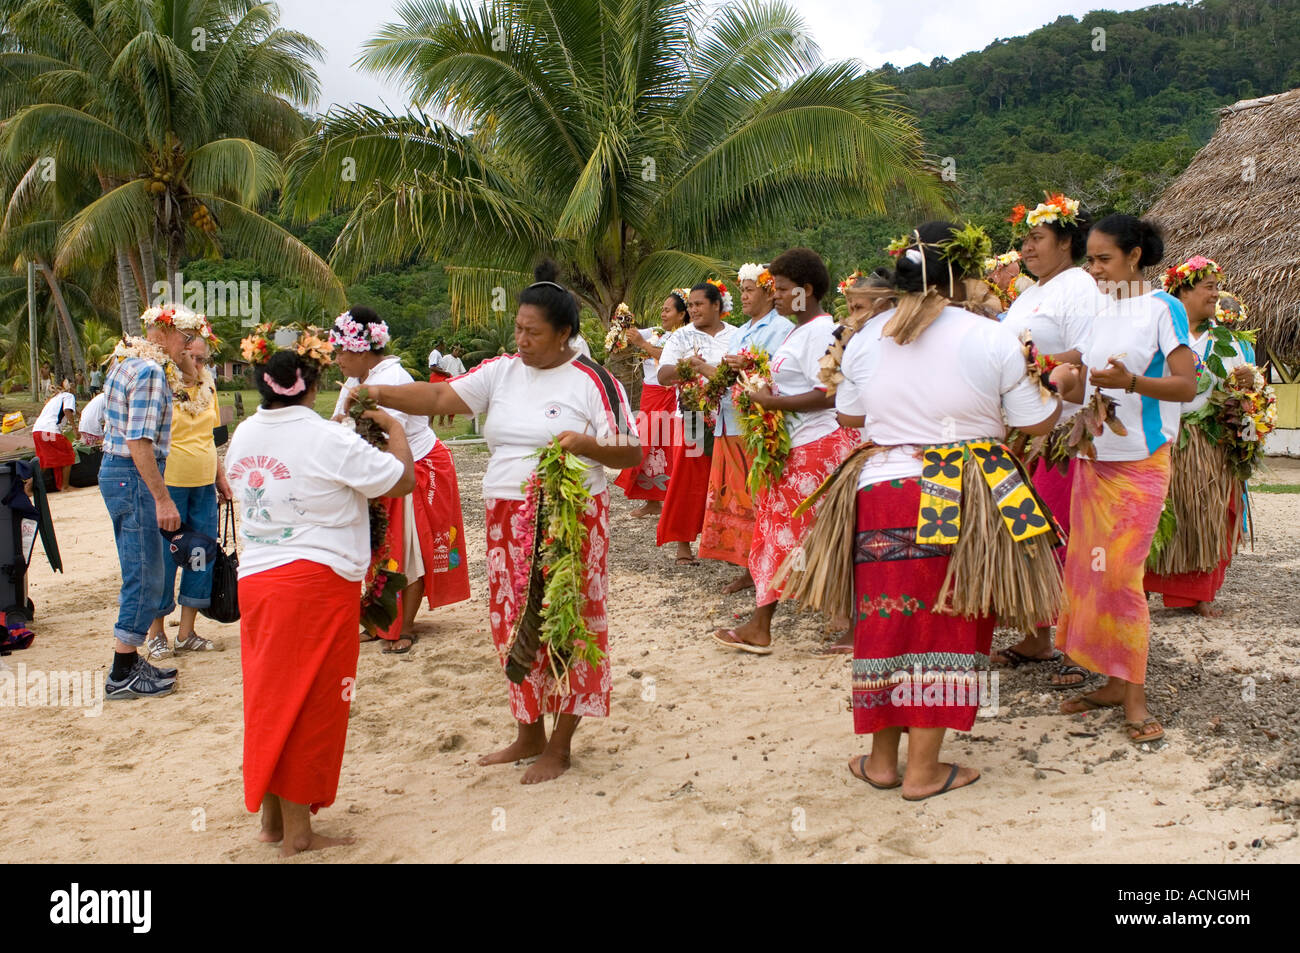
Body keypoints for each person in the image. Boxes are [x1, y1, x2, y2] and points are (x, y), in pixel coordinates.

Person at [348, 260, 642, 784]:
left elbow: (629, 451)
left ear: (565, 333)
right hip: (506, 518)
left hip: (569, 518)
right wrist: (377, 394)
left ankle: (560, 743)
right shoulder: (501, 371)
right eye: (518, 329)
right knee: (511, 621)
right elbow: (440, 397)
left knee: (566, 621)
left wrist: (585, 444)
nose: (522, 339)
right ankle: (527, 730)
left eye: (533, 332)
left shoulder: (592, 381)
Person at [831, 221, 1062, 798]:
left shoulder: (866, 337)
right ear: (967, 272)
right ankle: (924, 770)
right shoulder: (993, 336)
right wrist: (1058, 388)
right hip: (959, 488)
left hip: (883, 487)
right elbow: (1034, 421)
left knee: (885, 618)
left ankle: (883, 761)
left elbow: (850, 417)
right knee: (948, 617)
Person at [229, 326, 413, 856]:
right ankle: (299, 833)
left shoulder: (244, 433)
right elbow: (401, 480)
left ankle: (271, 821)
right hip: (314, 582)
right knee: (312, 704)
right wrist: (393, 428)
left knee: (269, 698)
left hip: (259, 581)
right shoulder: (325, 437)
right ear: (311, 386)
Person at [1051, 214, 1197, 745]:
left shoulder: (1164, 309)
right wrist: (1053, 376)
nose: (1092, 269)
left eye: (1102, 259)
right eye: (1089, 258)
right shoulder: (1100, 313)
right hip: (1094, 460)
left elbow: (1186, 386)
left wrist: (1131, 381)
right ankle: (1113, 681)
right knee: (1091, 574)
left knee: (1123, 576)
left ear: (1134, 256)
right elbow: (1078, 379)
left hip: (1140, 460)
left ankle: (1134, 695)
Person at [712, 249, 859, 654]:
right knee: (786, 532)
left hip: (819, 448)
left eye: (780, 288)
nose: (773, 295)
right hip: (800, 448)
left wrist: (769, 403)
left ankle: (765, 626)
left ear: (806, 290)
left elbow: (830, 394)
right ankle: (771, 624)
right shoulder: (800, 330)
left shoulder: (827, 331)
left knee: (799, 533)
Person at [991, 192, 1102, 679]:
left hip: (1064, 431)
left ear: (1067, 241)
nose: (1026, 248)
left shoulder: (1079, 286)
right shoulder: (1030, 292)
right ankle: (1039, 636)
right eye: (1025, 240)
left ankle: (1076, 645)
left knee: (1063, 535)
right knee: (1030, 534)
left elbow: (1091, 353)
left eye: (1036, 238)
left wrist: (1038, 367)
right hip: (1026, 431)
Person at [330, 306, 471, 653]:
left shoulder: (392, 380)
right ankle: (379, 622)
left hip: (414, 468)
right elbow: (339, 420)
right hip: (381, 470)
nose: (336, 359)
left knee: (410, 549)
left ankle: (404, 626)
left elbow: (378, 436)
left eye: (340, 350)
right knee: (379, 547)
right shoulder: (355, 380)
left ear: (361, 349)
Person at [1143, 262, 1256, 617]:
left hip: (1207, 445)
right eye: (1208, 286)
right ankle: (1142, 588)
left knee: (1207, 515)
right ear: (1184, 292)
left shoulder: (1227, 342)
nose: (1215, 294)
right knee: (1158, 514)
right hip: (1164, 437)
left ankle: (1201, 592)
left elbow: (1240, 394)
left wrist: (1245, 385)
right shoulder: (1158, 333)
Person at [99, 305, 201, 699]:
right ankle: (122, 668)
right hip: (134, 475)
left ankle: (129, 660)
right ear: (161, 332)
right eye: (184, 336)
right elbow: (138, 442)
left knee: (141, 566)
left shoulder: (125, 362)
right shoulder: (149, 371)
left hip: (119, 473)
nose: (188, 344)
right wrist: (162, 498)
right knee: (145, 571)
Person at [696, 265, 793, 593]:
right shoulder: (741, 332)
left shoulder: (780, 328)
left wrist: (751, 366)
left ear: (768, 291)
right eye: (742, 291)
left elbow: (782, 375)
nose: (745, 296)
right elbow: (727, 374)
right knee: (735, 498)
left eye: (750, 290)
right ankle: (748, 564)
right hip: (729, 422)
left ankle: (762, 566)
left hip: (754, 425)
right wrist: (705, 371)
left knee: (755, 496)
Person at [145, 327, 231, 660]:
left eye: (200, 358)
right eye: (189, 356)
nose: (195, 363)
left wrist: (220, 475)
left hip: (204, 479)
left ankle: (187, 632)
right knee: (165, 557)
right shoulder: (162, 382)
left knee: (202, 555)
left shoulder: (209, 383)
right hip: (172, 481)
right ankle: (155, 632)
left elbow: (211, 434)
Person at [655, 283, 738, 564]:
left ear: (717, 305)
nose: (692, 310)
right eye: (690, 305)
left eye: (698, 304)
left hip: (730, 418)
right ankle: (683, 544)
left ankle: (727, 541)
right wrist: (685, 367)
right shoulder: (680, 338)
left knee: (728, 480)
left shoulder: (737, 335)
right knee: (688, 482)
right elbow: (663, 375)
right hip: (692, 415)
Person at [615, 293, 688, 518]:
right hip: (649, 396)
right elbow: (626, 337)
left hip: (668, 396)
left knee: (666, 447)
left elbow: (667, 359)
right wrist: (622, 323)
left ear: (682, 314)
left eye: (668, 310)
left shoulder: (685, 337)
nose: (663, 314)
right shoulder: (656, 332)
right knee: (647, 446)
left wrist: (642, 343)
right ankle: (653, 501)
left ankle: (675, 501)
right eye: (663, 309)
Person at [31, 386, 77, 491]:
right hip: (49, 431)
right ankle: (64, 486)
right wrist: (75, 429)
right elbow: (67, 411)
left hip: (38, 430)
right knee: (68, 453)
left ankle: (29, 486)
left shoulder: (56, 398)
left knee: (45, 459)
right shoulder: (69, 396)